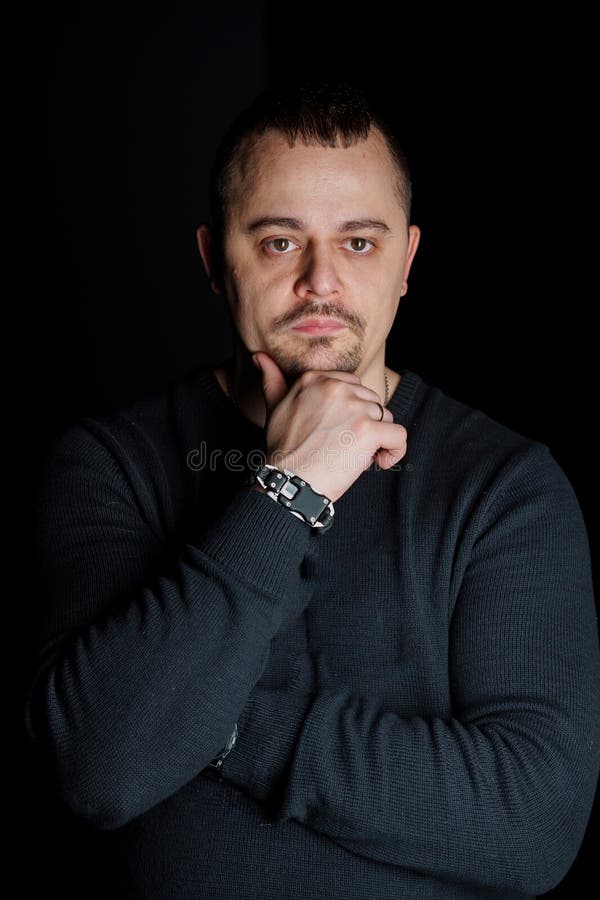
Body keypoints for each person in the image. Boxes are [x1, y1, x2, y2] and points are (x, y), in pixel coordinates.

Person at [24, 80, 599, 899]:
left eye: (358, 243)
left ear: (406, 263)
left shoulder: (505, 486)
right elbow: (101, 768)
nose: (320, 283)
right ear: (213, 261)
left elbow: (530, 827)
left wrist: (207, 723)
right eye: (279, 242)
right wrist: (289, 486)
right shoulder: (109, 465)